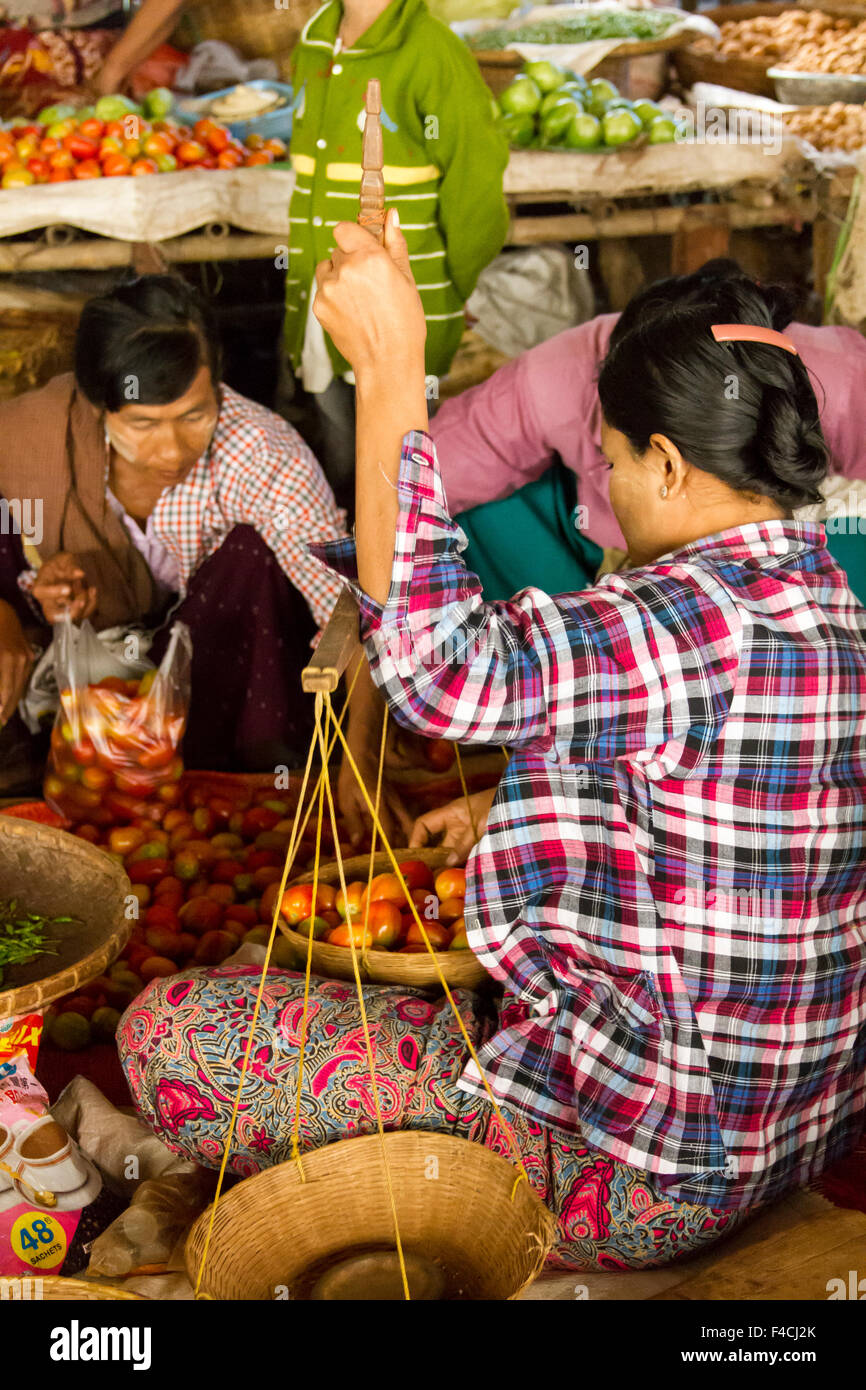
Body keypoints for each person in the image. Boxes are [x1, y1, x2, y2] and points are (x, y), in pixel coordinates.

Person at [117, 223, 866, 1269]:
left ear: (663, 458)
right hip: (790, 1128)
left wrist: (387, 366)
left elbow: (432, 667)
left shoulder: (690, 616)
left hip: (638, 1174)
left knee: (172, 1033)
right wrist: (503, 809)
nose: (595, 505)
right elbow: (725, 803)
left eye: (605, 467)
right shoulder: (822, 597)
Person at [0, 273, 398, 838]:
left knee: (250, 555)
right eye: (141, 424)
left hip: (228, 690)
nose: (171, 449)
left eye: (195, 415)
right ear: (98, 405)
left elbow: (352, 612)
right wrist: (22, 600)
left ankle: (250, 783)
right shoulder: (34, 435)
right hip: (93, 721)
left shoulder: (259, 451)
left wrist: (362, 754)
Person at [430, 261, 866, 602]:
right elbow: (440, 461)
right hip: (609, 548)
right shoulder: (563, 372)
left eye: (613, 461)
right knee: (478, 511)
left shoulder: (839, 377)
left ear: (667, 464)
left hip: (809, 548)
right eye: (609, 460)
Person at [280, 0, 509, 512]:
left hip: (405, 305)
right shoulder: (315, 40)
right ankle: (351, 554)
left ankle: (394, 571)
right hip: (323, 292)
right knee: (338, 431)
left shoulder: (433, 51)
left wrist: (451, 287)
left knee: (398, 459)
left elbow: (477, 193)